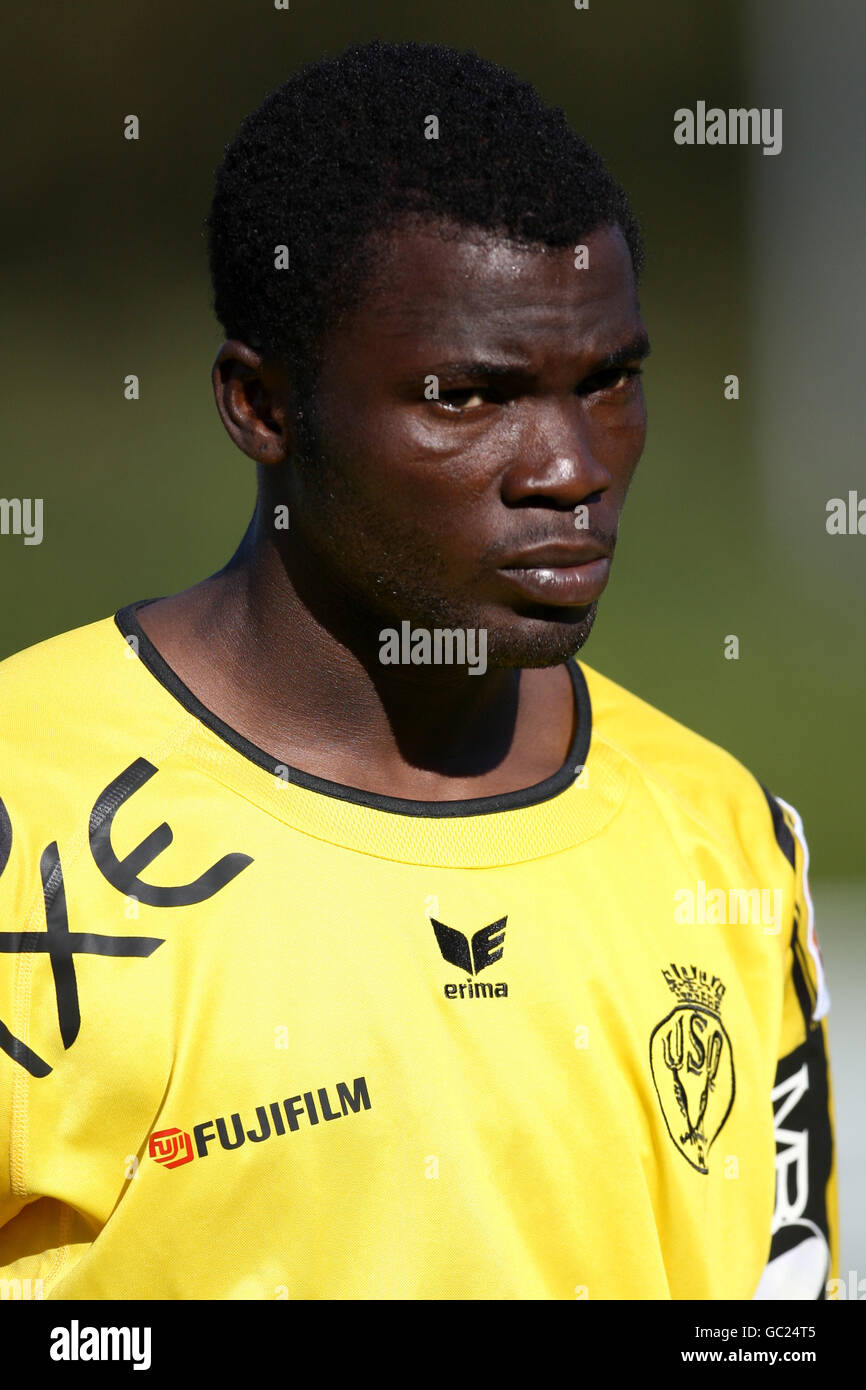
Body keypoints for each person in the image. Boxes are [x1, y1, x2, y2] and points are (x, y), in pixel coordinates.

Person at [0, 39, 835, 1300]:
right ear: (262, 407)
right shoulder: (30, 812)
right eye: (466, 397)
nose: (568, 467)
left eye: (608, 381)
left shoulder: (717, 841)